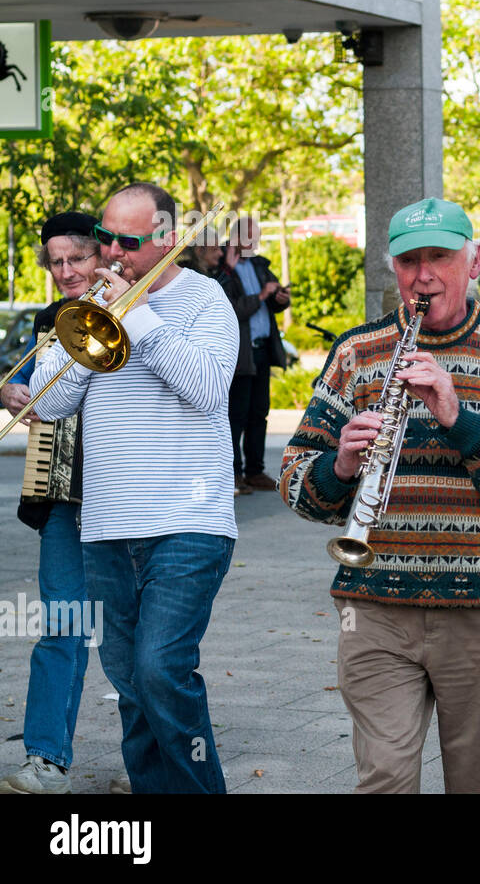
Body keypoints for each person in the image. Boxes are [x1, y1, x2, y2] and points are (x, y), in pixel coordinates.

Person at [280, 197, 480, 794]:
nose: (425, 274)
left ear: (474, 261)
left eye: (441, 256)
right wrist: (338, 465)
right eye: (410, 261)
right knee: (384, 777)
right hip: (378, 606)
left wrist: (459, 418)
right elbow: (295, 481)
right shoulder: (357, 350)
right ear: (394, 269)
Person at [30, 182, 240, 794]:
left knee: (160, 670)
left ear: (168, 239)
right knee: (128, 683)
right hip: (107, 524)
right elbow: (54, 402)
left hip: (188, 519)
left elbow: (205, 389)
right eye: (107, 239)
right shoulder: (92, 303)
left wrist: (137, 316)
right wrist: (76, 338)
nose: (113, 253)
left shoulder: (205, 300)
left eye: (128, 241)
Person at [0, 212, 101, 794]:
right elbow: (33, 392)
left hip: (127, 498)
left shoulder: (135, 309)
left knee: (135, 637)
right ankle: (46, 760)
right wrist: (9, 389)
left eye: (77, 258)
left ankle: (160, 764)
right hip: (63, 492)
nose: (66, 271)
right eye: (56, 261)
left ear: (103, 257)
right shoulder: (46, 320)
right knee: (62, 624)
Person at [219, 216, 290, 493]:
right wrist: (262, 296)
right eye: (252, 238)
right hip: (239, 354)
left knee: (259, 413)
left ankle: (255, 470)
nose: (256, 243)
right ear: (237, 237)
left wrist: (279, 299)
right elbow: (231, 309)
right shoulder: (223, 266)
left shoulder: (260, 265)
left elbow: (273, 299)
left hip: (261, 349)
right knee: (236, 415)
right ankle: (234, 473)